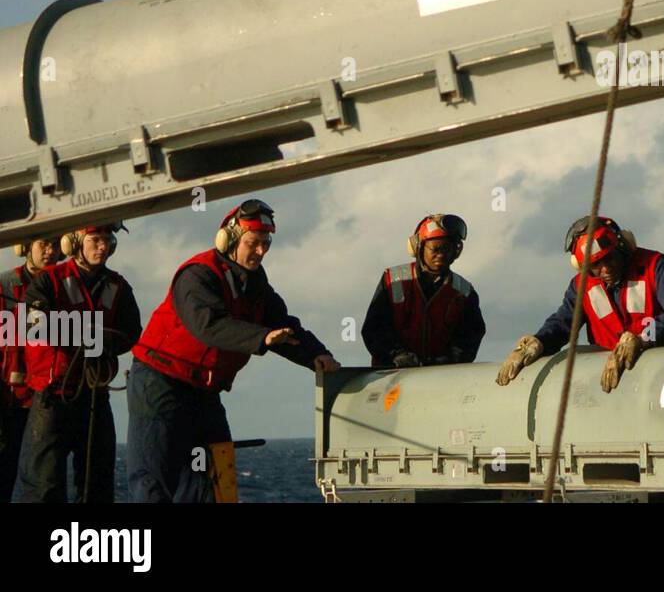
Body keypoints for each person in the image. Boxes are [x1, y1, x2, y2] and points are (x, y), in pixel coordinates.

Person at [127, 199, 341, 503]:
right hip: (160, 380)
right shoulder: (197, 275)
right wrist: (262, 337)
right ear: (228, 239)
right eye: (254, 243)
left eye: (265, 244)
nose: (261, 252)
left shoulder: (256, 286)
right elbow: (209, 325)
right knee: (154, 478)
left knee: (213, 474)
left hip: (202, 389)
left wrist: (315, 355)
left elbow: (283, 326)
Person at [496, 215, 664, 392]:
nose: (606, 269)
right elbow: (563, 323)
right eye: (595, 266)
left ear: (622, 247)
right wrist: (539, 342)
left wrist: (644, 338)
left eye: (610, 259)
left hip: (661, 375)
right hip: (611, 383)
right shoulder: (581, 286)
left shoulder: (656, 267)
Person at [16, 223, 141, 503]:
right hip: (53, 395)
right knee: (44, 485)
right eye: (96, 240)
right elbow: (35, 325)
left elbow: (131, 332)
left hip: (94, 394)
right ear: (74, 243)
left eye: (107, 240)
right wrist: (90, 339)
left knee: (97, 483)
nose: (103, 246)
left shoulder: (117, 285)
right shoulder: (49, 281)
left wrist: (100, 344)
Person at [362, 213, 485, 367]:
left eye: (447, 248)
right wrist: (397, 356)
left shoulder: (465, 293)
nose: (441, 254)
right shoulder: (392, 281)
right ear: (419, 248)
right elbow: (373, 329)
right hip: (391, 377)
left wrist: (447, 360)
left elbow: (470, 337)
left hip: (441, 379)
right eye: (435, 249)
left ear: (456, 251)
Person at [1, 236, 61, 501]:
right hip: (9, 399)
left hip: (44, 398)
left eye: (56, 245)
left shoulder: (64, 286)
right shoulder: (5, 286)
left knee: (44, 478)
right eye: (44, 244)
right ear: (25, 247)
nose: (50, 251)